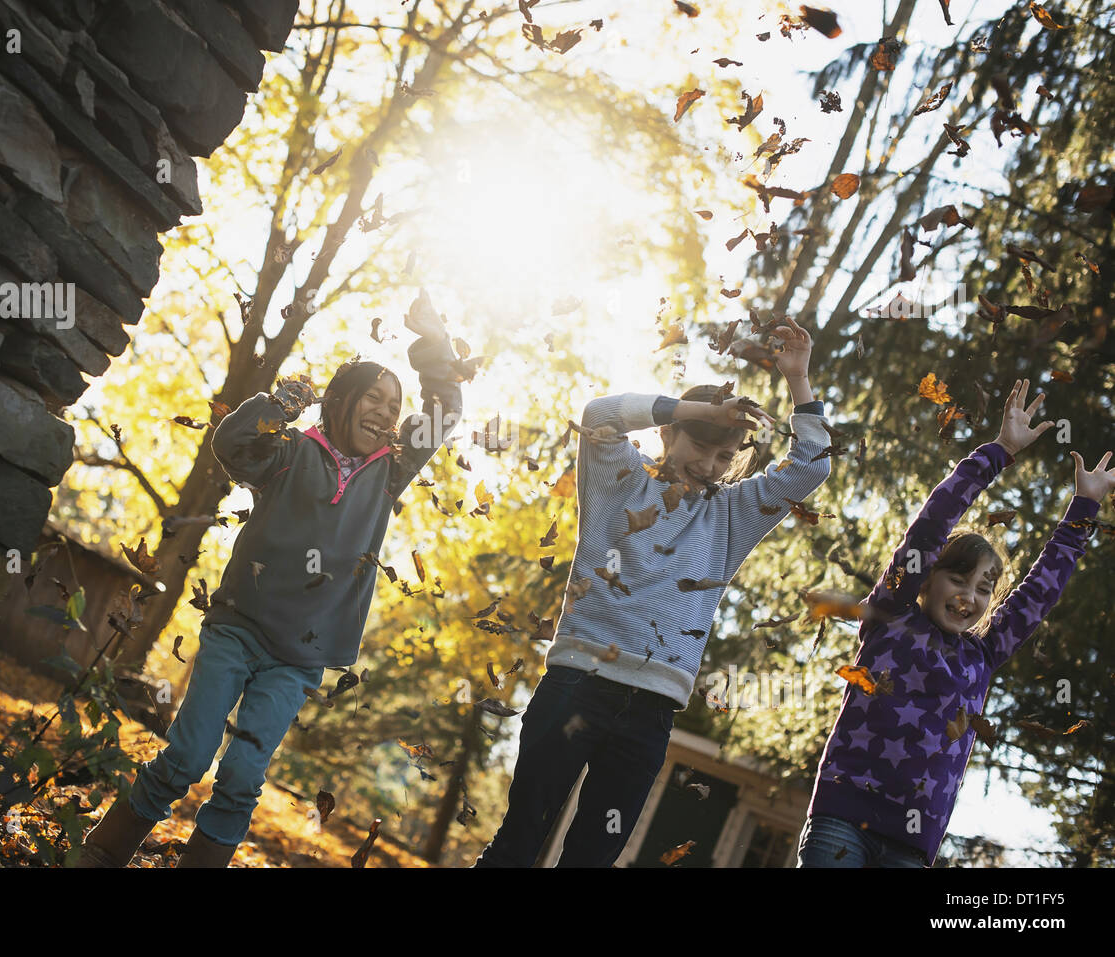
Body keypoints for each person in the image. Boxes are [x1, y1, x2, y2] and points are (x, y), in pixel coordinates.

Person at [74, 289, 462, 867]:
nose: (385, 411)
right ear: (340, 401)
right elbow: (231, 444)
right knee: (187, 755)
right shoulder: (289, 452)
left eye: (393, 403)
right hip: (238, 631)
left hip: (298, 658)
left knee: (242, 775)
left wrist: (434, 345)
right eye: (372, 398)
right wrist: (281, 404)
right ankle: (103, 854)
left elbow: (446, 409)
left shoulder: (392, 473)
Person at [475, 316, 832, 867]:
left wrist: (799, 380)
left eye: (724, 456)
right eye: (700, 445)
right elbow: (599, 415)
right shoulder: (618, 476)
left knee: (593, 857)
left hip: (651, 711)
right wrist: (698, 409)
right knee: (521, 840)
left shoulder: (731, 515)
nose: (710, 465)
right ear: (667, 433)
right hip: (576, 684)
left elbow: (811, 467)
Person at [798, 378, 1112, 868]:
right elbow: (932, 521)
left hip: (911, 841)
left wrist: (1083, 510)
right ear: (926, 577)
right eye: (958, 578)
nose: (969, 596)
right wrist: (1001, 450)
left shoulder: (983, 654)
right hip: (843, 818)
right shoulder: (891, 614)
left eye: (984, 589)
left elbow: (1040, 590)